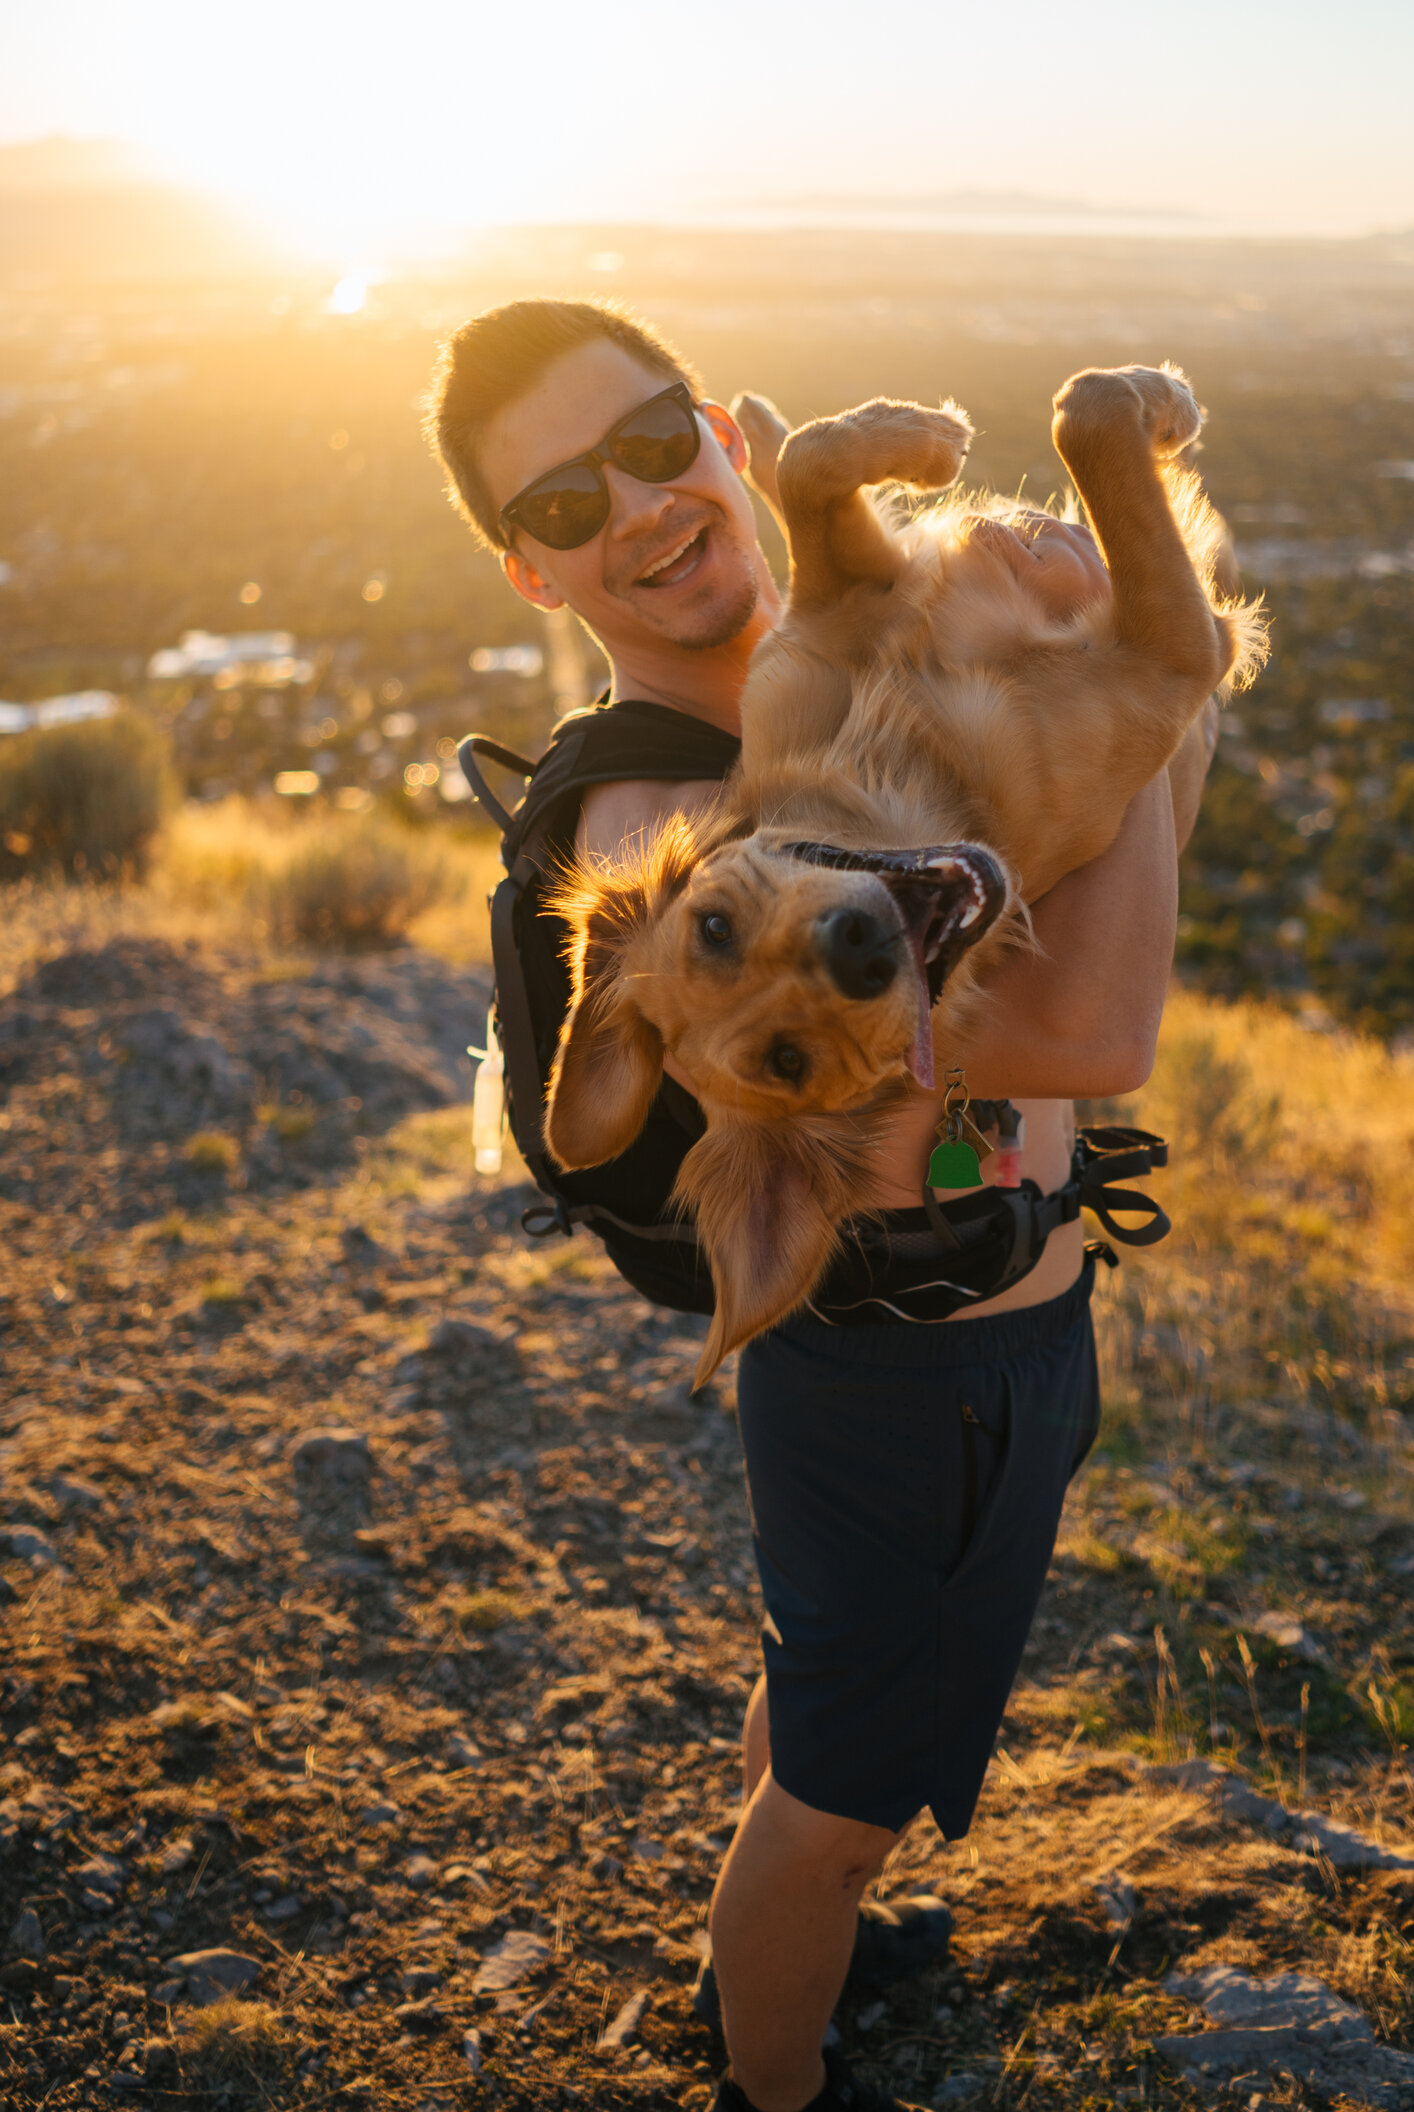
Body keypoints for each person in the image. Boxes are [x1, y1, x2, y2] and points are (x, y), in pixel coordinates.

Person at [427, 300, 1206, 2112]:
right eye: (558, 505)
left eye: (642, 445)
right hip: (909, 1383)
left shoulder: (814, 706)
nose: (625, 507)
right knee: (844, 1798)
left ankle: (799, 1939)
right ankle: (775, 2068)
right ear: (537, 577)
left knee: (831, 1703)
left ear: (710, 429)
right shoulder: (660, 821)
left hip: (999, 1325)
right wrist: (1128, 674)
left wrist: (932, 613)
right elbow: (1097, 1023)